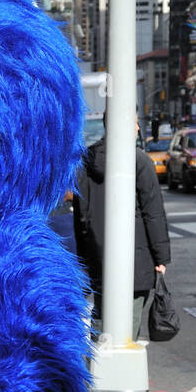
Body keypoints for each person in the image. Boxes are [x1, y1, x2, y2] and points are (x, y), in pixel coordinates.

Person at [73, 121, 171, 339]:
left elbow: (80, 216)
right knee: (128, 327)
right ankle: (119, 370)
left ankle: (96, 369)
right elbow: (152, 212)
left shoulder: (86, 162)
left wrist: (85, 258)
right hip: (136, 260)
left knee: (101, 323)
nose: (137, 128)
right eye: (135, 122)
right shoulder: (138, 160)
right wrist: (161, 258)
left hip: (99, 258)